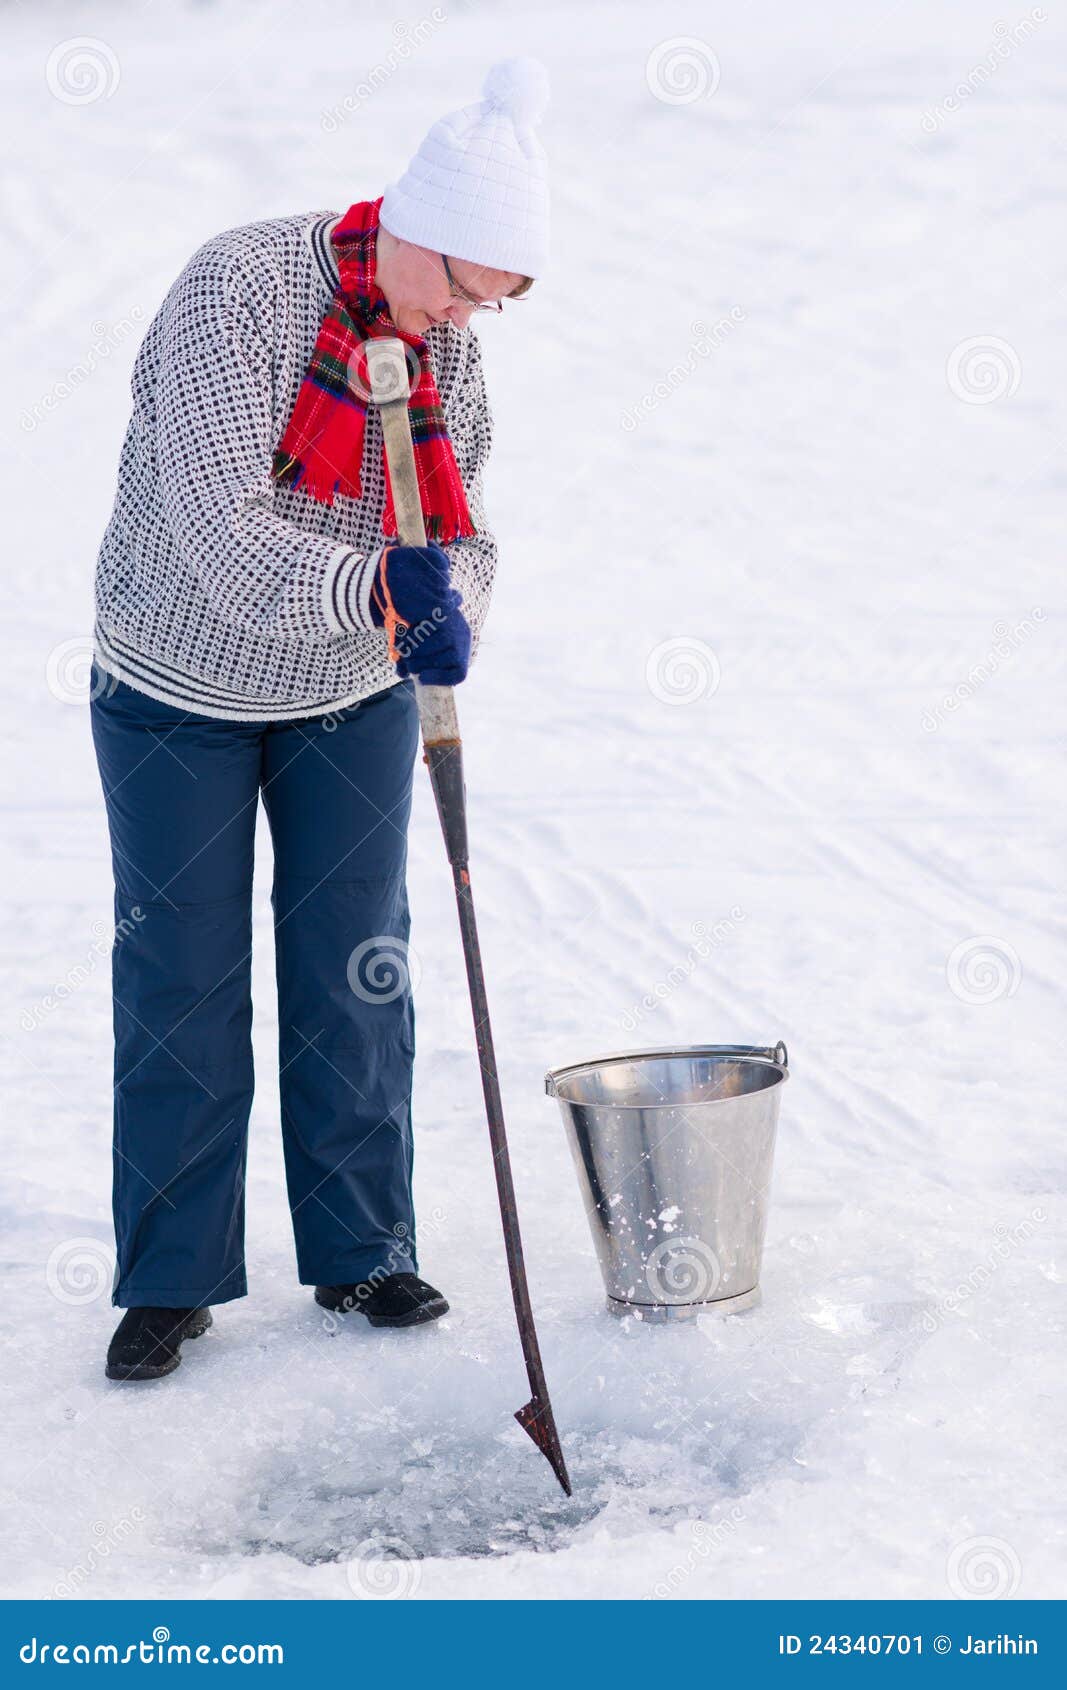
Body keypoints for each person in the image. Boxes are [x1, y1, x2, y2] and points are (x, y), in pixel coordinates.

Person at [89, 58, 550, 1381]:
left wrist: (451, 594)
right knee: (180, 974)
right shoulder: (238, 291)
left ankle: (362, 1248)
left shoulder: (445, 347)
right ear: (418, 223)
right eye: (465, 286)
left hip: (346, 698)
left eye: (492, 305)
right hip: (177, 685)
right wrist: (378, 583)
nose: (467, 321)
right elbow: (225, 542)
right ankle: (171, 1277)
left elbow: (462, 532)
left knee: (360, 963)